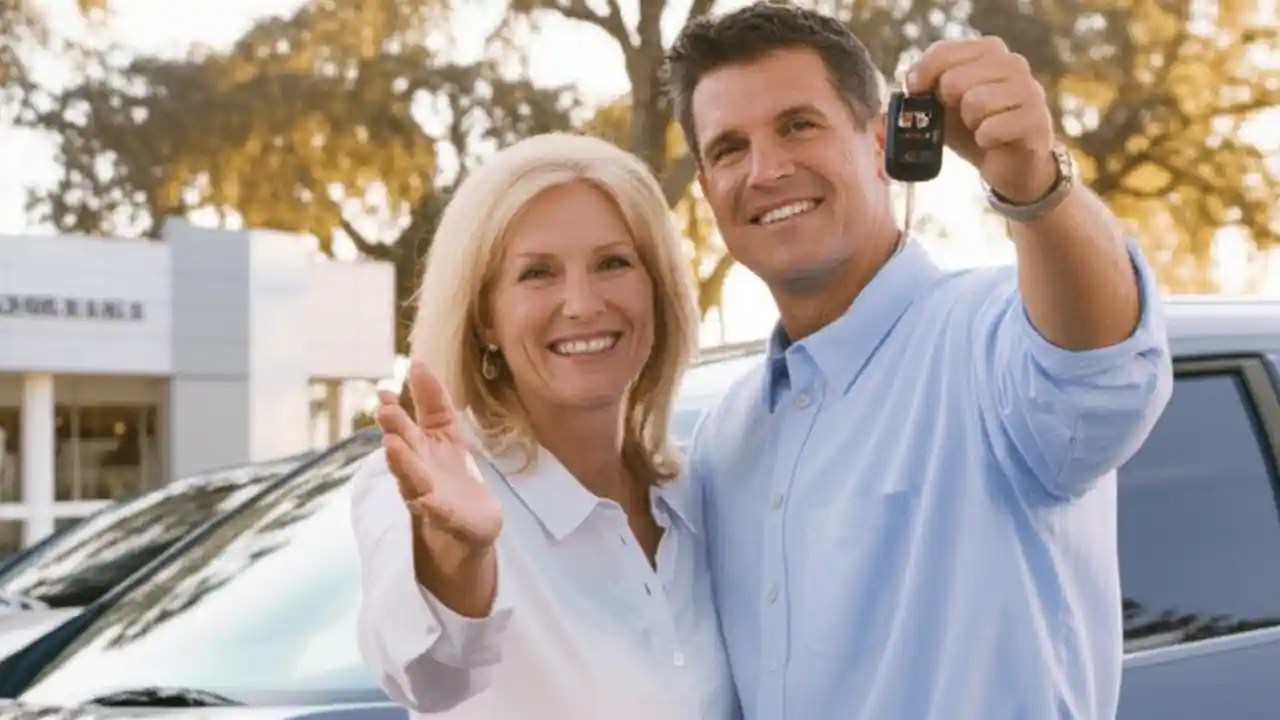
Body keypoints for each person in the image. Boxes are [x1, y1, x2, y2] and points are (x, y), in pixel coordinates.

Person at [664, 3, 1173, 719]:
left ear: (883, 142)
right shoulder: (723, 438)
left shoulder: (988, 341)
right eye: (728, 149)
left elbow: (1101, 372)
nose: (766, 170)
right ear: (708, 189)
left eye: (798, 125)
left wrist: (1035, 183)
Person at [349, 132, 740, 719]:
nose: (582, 304)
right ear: (485, 317)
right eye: (537, 274)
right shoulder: (424, 489)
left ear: (657, 291)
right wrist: (457, 557)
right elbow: (429, 677)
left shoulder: (702, 494)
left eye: (612, 263)